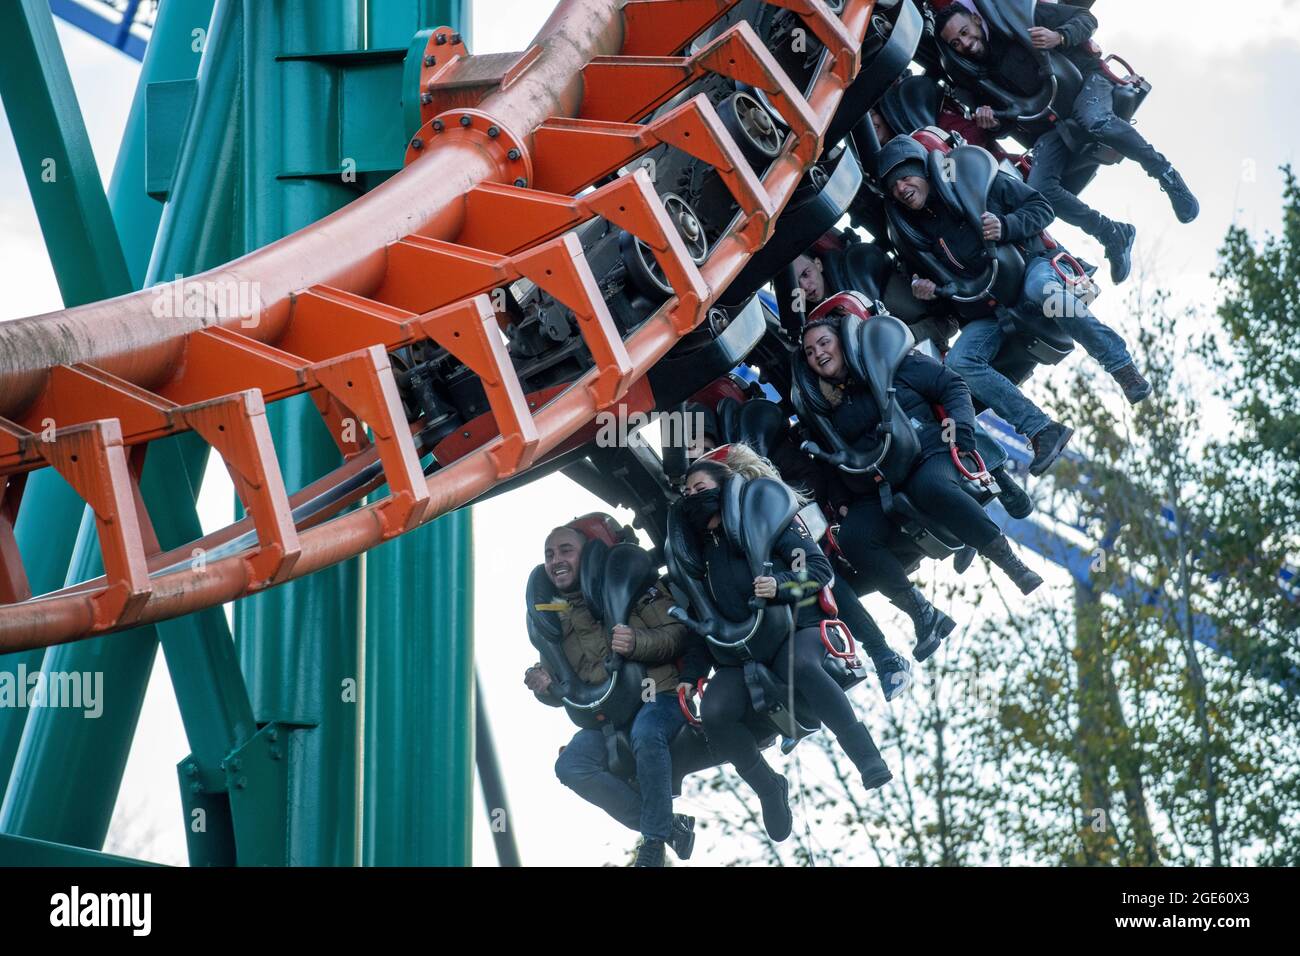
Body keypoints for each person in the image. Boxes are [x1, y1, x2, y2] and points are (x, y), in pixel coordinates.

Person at [879, 135, 1152, 476]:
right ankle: (1041, 430)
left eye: (906, 177)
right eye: (894, 186)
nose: (902, 188)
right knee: (961, 361)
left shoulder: (974, 181)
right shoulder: (913, 236)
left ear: (922, 170)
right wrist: (929, 290)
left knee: (1045, 292)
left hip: (1029, 268)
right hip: (988, 309)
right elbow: (942, 292)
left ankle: (1121, 366)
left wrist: (1006, 226)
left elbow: (1041, 208)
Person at [800, 308, 1044, 645]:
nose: (818, 354)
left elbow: (951, 385)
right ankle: (922, 614)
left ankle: (1009, 562)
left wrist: (961, 430)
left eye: (824, 343)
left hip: (927, 453)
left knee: (931, 486)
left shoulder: (892, 364)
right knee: (854, 537)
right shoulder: (828, 411)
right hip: (878, 483)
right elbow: (828, 463)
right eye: (810, 352)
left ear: (843, 343)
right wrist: (841, 502)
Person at [680, 455, 892, 842]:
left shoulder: (764, 524)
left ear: (723, 490)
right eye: (687, 492)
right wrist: (689, 675)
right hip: (741, 650)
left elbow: (818, 570)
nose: (694, 497)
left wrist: (780, 584)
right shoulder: (698, 556)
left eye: (701, 489)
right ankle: (768, 788)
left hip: (796, 628)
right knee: (715, 712)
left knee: (803, 666)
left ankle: (866, 756)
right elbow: (699, 622)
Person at [932, 2, 1200, 284]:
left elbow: (1086, 19)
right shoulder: (973, 76)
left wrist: (1059, 36)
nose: (965, 43)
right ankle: (1112, 234)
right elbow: (1006, 123)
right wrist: (992, 121)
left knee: (1094, 118)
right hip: (1053, 126)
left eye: (965, 32)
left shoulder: (1017, 16)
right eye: (956, 42)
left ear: (976, 19)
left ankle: (1168, 176)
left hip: (1086, 82)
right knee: (1038, 191)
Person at [524, 524, 698, 866]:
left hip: (656, 693)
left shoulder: (624, 586)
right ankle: (668, 827)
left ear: (585, 554)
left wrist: (637, 642)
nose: (556, 560)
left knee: (646, 733)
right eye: (549, 554)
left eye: (565, 551)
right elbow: (560, 687)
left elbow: (679, 632)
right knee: (571, 765)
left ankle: (652, 845)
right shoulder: (553, 617)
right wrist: (543, 685)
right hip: (607, 713)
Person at [703, 441, 914, 702]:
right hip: (766, 599)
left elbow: (815, 568)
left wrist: (781, 582)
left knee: (827, 587)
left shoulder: (769, 505)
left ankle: (884, 655)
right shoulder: (714, 536)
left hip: (814, 569)